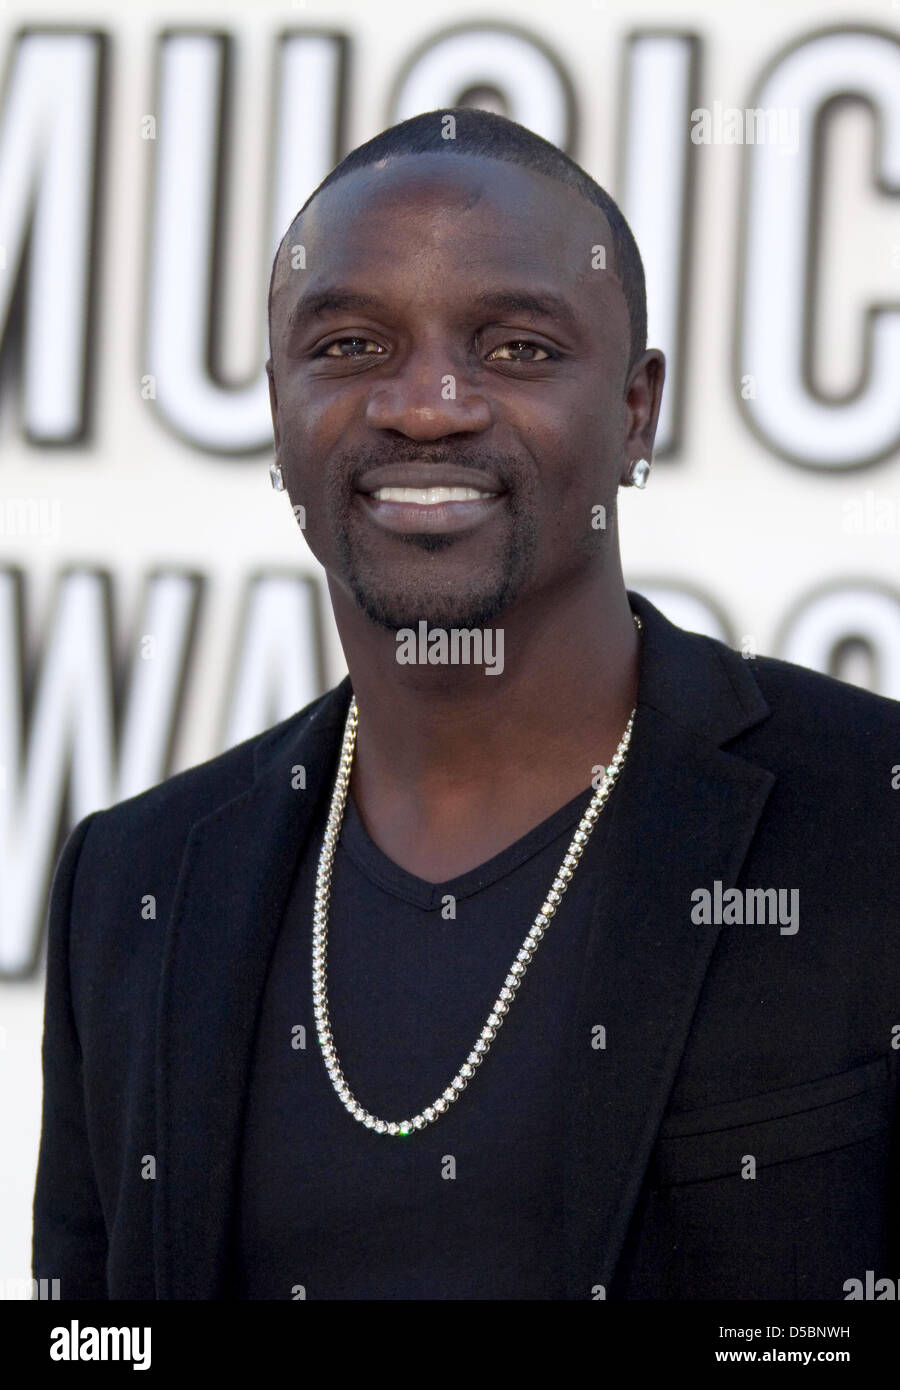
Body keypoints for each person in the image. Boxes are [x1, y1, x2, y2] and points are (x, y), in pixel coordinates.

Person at [33, 108, 899, 1300]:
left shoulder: (870, 816)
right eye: (347, 345)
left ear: (636, 412)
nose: (426, 404)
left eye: (517, 349)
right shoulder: (132, 884)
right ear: (277, 410)